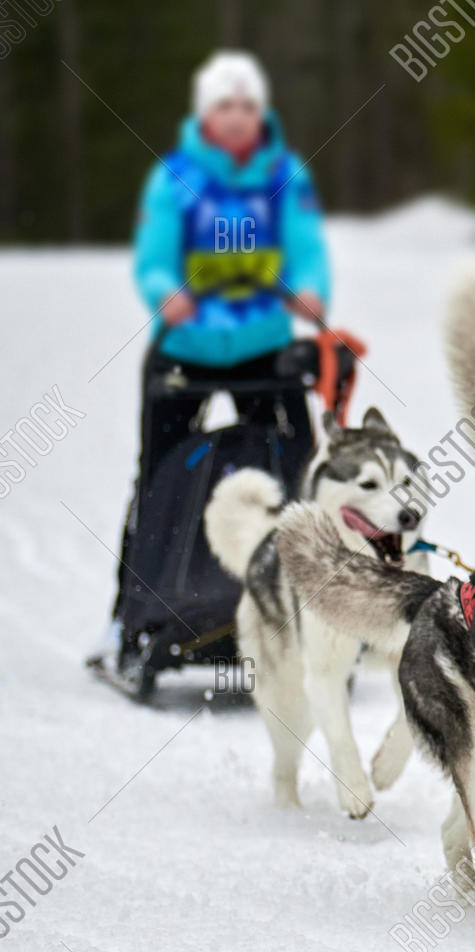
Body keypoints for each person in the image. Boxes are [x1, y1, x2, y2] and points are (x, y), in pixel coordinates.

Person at [92, 50, 331, 668]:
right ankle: (130, 617)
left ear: (260, 113)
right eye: (224, 106)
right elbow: (153, 254)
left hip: (265, 350)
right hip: (186, 352)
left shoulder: (285, 174)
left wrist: (308, 289)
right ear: (206, 114)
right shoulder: (175, 176)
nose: (236, 117)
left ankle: (313, 613)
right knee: (155, 477)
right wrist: (162, 291)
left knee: (303, 475)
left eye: (247, 106)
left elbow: (306, 250)